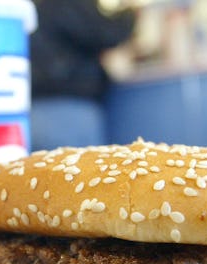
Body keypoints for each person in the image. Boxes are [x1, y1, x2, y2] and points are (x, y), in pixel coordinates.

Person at [30, 0, 135, 151]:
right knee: (84, 170)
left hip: (35, 108)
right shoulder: (66, 5)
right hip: (68, 109)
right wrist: (130, 12)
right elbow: (104, 32)